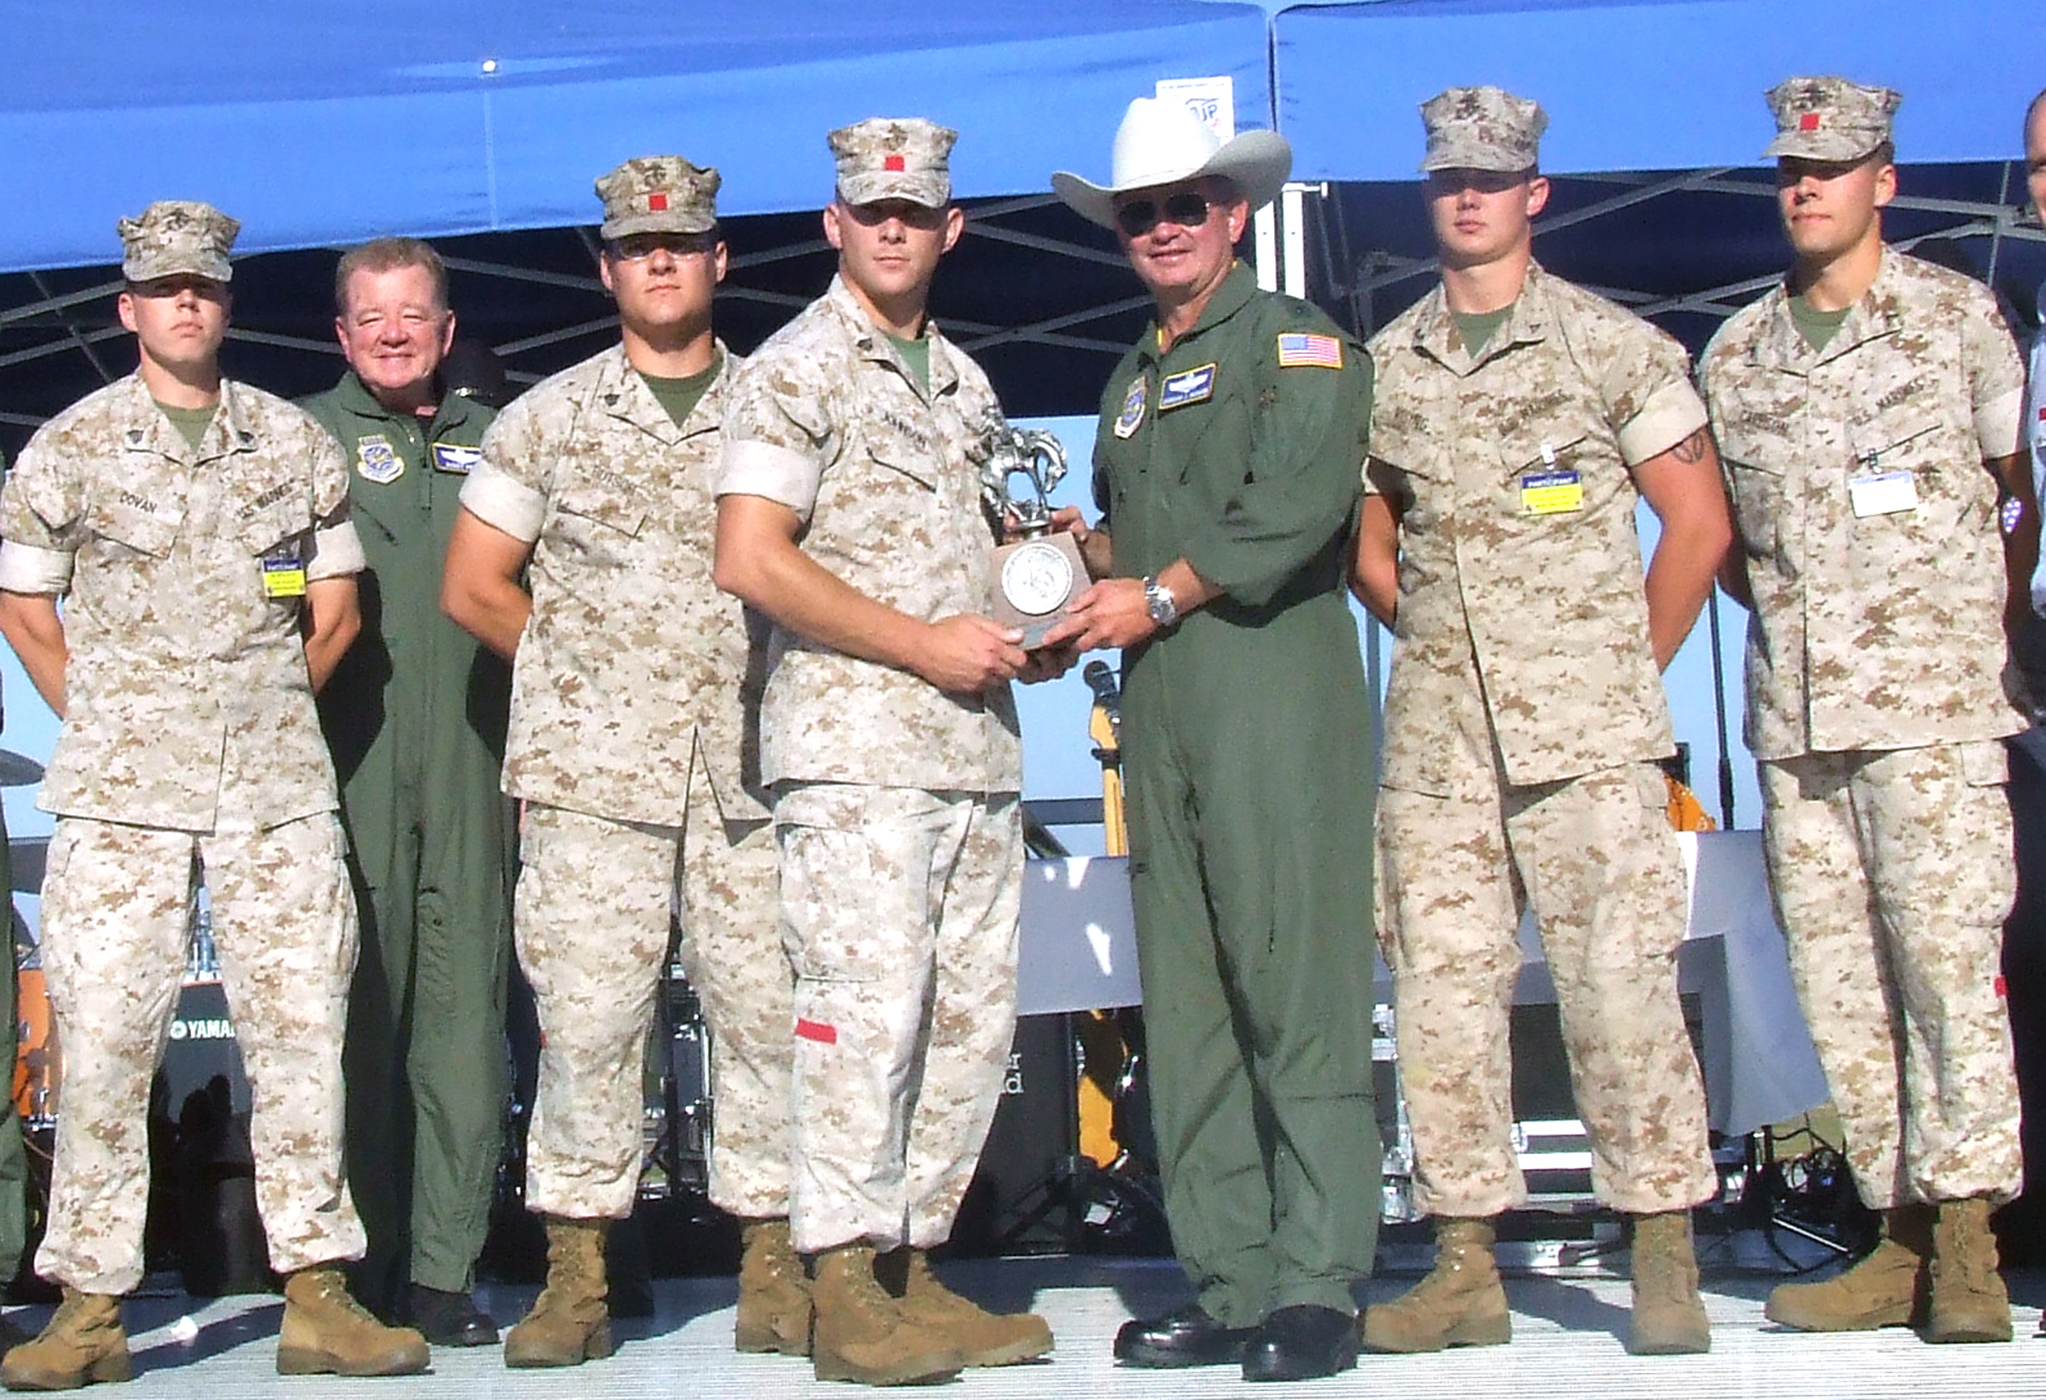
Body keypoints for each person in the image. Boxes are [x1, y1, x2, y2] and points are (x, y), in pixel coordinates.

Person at [0, 200, 428, 1387]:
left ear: (227, 306)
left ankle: (319, 1293)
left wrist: (270, 709)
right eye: (165, 288)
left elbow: (335, 610)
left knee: (303, 1033)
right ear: (128, 307)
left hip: (274, 791)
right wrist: (106, 716)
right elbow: (27, 609)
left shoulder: (294, 446)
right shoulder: (69, 447)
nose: (187, 304)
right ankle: (88, 1303)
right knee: (103, 1038)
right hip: (123, 798)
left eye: (205, 288)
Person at [1350, 85, 1728, 1359]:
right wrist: (1444, 644)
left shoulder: (1607, 346)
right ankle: (1463, 1257)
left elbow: (1699, 524)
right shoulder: (1389, 361)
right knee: (1445, 998)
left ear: (1533, 196)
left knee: (1620, 991)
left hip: (1590, 739)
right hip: (1440, 745)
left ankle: (1662, 1241)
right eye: (1449, 178)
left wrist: (1624, 665)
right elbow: (1369, 534)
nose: (1469, 196)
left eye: (1492, 179)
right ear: (1431, 193)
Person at [714, 117, 1060, 1388]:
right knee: (862, 1019)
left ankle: (913, 1268)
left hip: (975, 750)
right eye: (871, 212)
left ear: (951, 227)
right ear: (834, 225)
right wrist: (924, 645)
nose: (893, 230)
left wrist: (1043, 615)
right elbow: (749, 556)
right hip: (856, 750)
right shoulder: (795, 369)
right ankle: (843, 1282)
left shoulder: (966, 384)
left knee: (967, 1027)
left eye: (915, 214)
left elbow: (984, 569)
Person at [1041, 96, 1379, 1382]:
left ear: (1234, 215)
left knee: (1295, 989)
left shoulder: (1300, 347)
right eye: (1141, 213)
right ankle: (1231, 1275)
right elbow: (1144, 542)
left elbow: (1290, 510)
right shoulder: (1128, 380)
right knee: (1184, 1006)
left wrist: (1158, 589)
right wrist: (1076, 563)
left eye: (1187, 205)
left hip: (1269, 701)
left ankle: (1318, 1280)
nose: (1164, 229)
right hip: (1162, 712)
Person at [441, 156, 796, 1369]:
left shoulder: (785, 402)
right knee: (589, 1025)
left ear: (718, 261)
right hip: (597, 778)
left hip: (753, 766)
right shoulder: (543, 418)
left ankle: (775, 1265)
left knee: (766, 1018)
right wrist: (584, 671)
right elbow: (473, 583)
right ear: (606, 268)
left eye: (683, 244)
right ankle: (579, 1272)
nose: (661, 261)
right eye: (638, 245)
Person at [1701, 76, 2032, 1344]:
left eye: (1831, 167)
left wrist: (1971, 625)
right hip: (1801, 722)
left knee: (1950, 972)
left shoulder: (1958, 320)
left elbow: (2016, 494)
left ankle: (1968, 1239)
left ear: (1882, 181)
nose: (1806, 187)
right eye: (1791, 168)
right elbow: (1733, 542)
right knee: (1844, 984)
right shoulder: (1738, 354)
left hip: (1937, 710)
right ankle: (1893, 1229)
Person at [303, 236, 513, 1347]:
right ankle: (347, 1264)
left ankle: (443, 1267)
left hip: (479, 764)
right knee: (351, 1019)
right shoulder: (299, 441)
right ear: (341, 334)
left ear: (444, 327)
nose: (392, 331)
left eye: (412, 312)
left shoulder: (506, 441)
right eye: (370, 314)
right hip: (347, 767)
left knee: (465, 1026)